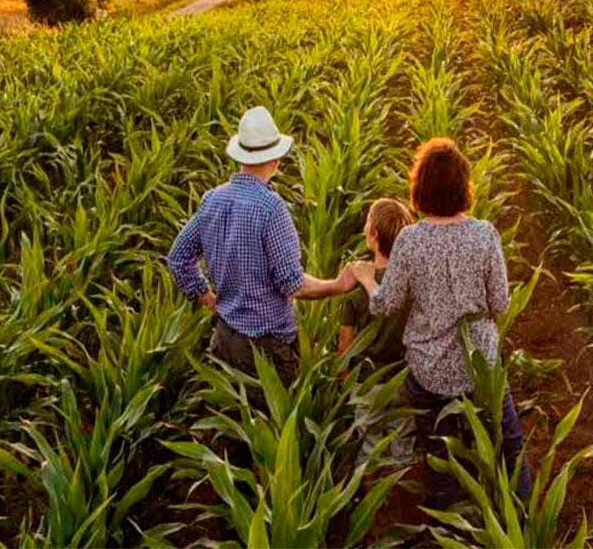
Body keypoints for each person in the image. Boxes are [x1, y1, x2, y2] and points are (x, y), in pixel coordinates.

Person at [351, 138, 532, 510]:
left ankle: (447, 525)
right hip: (480, 367)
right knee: (509, 444)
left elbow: (386, 305)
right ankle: (522, 520)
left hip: (429, 372)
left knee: (438, 455)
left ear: (420, 190)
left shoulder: (411, 240)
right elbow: (500, 302)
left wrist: (368, 279)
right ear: (464, 186)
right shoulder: (484, 234)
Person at [168, 106, 355, 387]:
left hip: (224, 338)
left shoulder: (212, 199)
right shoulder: (271, 208)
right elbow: (293, 284)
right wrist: (337, 285)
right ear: (276, 159)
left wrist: (208, 298)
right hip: (266, 350)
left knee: (233, 422)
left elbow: (177, 258)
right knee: (272, 425)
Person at [338, 198, 416, 464]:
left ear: (372, 236)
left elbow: (345, 347)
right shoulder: (411, 285)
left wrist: (346, 383)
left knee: (368, 446)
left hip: (367, 383)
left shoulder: (356, 293)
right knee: (403, 442)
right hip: (404, 379)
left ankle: (373, 500)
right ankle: (400, 496)